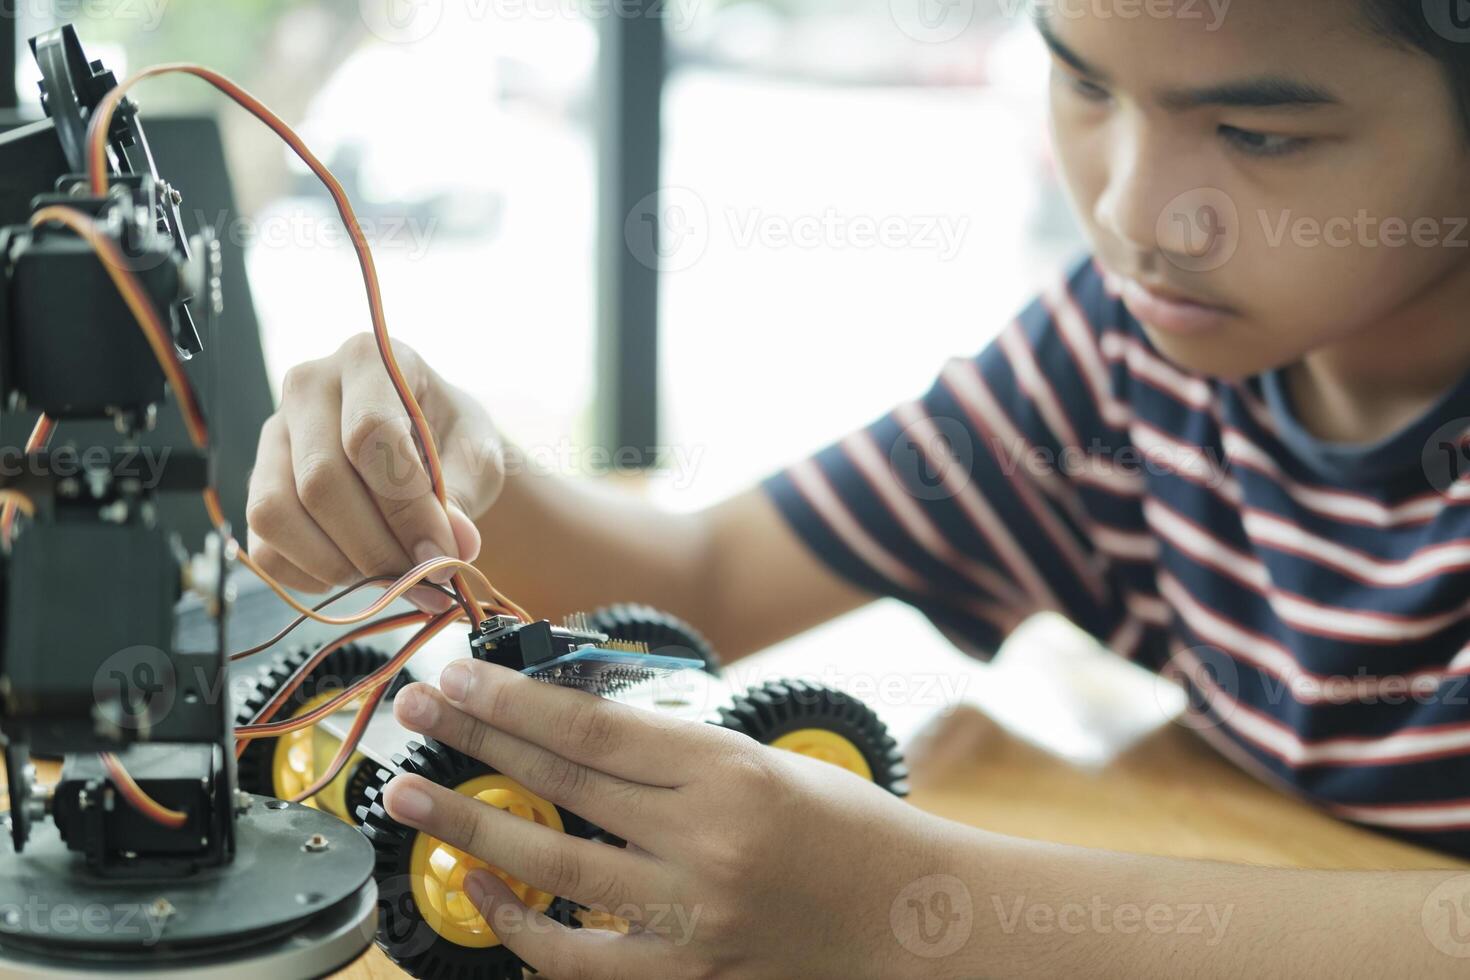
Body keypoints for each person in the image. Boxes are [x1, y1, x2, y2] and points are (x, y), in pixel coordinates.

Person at [245, 1, 1470, 975]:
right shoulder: (1120, 363)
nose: (1136, 210)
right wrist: (446, 468)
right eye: (1086, 84)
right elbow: (701, 585)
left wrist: (910, 914)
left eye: (1259, 134)